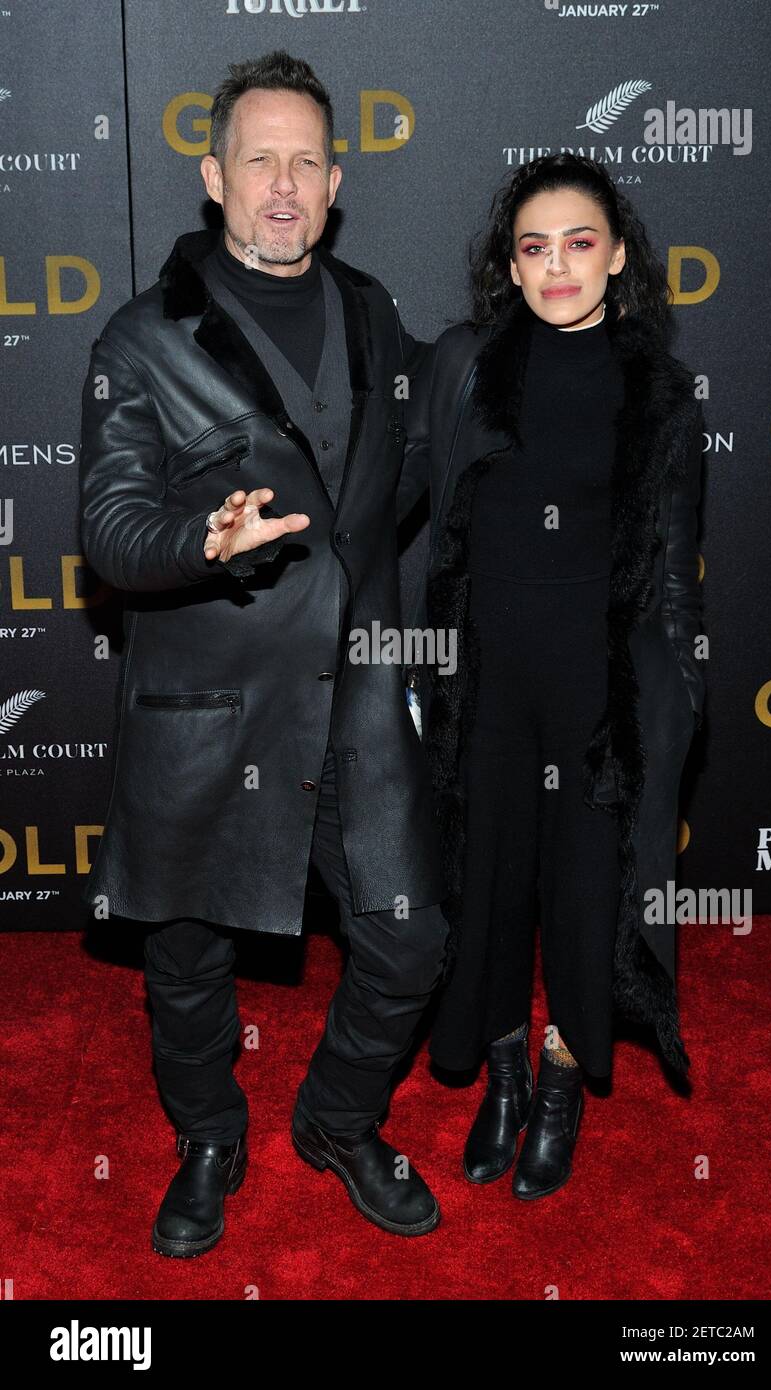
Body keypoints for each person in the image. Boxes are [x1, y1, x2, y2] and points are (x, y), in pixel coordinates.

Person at [79, 49, 450, 1254]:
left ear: (334, 180)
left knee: (408, 933)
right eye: (258, 160)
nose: (281, 185)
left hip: (356, 681)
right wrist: (207, 537)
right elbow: (110, 532)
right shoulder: (141, 342)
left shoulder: (376, 310)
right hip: (210, 698)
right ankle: (208, 1136)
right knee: (187, 959)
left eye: (304, 162)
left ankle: (338, 1120)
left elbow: (388, 490)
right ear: (213, 176)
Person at [402, 153, 706, 1200]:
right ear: (511, 265)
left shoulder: (658, 395)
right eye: (534, 247)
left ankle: (562, 1084)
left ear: (617, 255)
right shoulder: (464, 365)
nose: (557, 266)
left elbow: (675, 573)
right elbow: (414, 517)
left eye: (580, 242)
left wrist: (670, 712)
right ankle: (499, 1079)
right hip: (485, 683)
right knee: (483, 888)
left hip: (595, 694)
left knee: (585, 897)